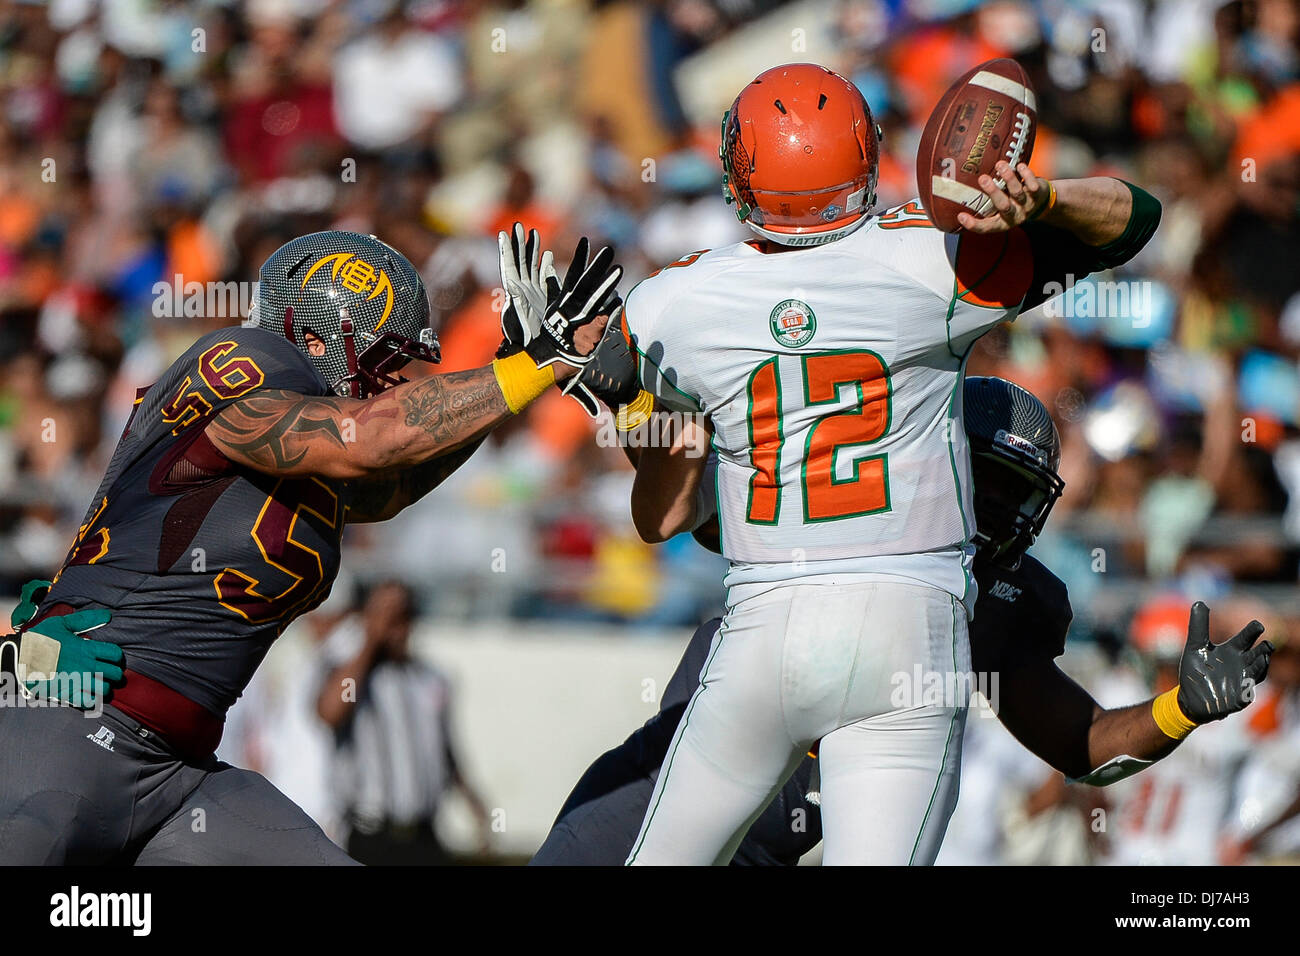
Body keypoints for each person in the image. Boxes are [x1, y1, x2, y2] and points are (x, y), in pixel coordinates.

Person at [567, 61, 1164, 864]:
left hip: (761, 631)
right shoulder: (936, 262)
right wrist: (1043, 197)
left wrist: (598, 387)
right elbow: (1136, 220)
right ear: (865, 153)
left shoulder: (672, 302)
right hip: (907, 628)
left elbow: (663, 510)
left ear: (739, 171)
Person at [0, 226, 618, 864]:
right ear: (318, 336)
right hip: (68, 718)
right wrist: (531, 365)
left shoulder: (316, 463)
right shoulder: (249, 364)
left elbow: (392, 481)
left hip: (177, 772)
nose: (394, 383)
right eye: (383, 361)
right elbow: (369, 440)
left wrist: (515, 381)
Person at [532, 377, 1273, 865]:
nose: (993, 512)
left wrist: (1182, 709)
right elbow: (682, 507)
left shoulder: (1002, 605)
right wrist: (629, 398)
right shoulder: (831, 518)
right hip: (640, 817)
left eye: (1011, 494)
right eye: (978, 482)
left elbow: (1084, 746)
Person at [316, 580, 489, 865]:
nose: (393, 626)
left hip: (424, 832)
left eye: (401, 616)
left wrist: (472, 799)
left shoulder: (431, 678)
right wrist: (370, 639)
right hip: (370, 834)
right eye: (384, 615)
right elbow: (329, 713)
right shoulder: (350, 673)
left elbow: (445, 749)